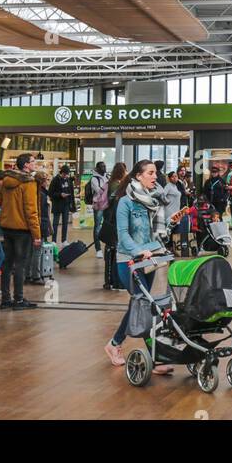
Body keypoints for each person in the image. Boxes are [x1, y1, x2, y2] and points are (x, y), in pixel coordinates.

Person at [103, 160, 174, 374]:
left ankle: (119, 346)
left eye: (155, 173)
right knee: (143, 305)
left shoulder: (153, 200)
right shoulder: (125, 202)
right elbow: (123, 235)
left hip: (151, 258)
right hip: (129, 261)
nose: (155, 177)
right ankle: (149, 356)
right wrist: (138, 251)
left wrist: (171, 224)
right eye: (151, 173)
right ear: (138, 176)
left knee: (144, 305)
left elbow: (155, 232)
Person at [0, 153, 42, 310]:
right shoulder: (28, 183)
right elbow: (31, 210)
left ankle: (5, 299)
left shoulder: (6, 181)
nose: (35, 164)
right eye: (33, 162)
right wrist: (37, 235)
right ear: (26, 165)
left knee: (7, 263)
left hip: (7, 227)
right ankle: (19, 299)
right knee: (20, 265)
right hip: (22, 229)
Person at [100, 162, 129, 290]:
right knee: (115, 250)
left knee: (111, 250)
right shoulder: (116, 186)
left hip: (109, 219)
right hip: (114, 221)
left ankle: (109, 281)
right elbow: (117, 203)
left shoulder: (111, 183)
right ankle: (115, 281)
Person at [48, 165, 75, 243]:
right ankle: (53, 241)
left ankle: (64, 240)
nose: (66, 176)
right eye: (65, 174)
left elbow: (71, 192)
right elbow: (50, 193)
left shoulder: (69, 180)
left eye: (67, 174)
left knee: (65, 223)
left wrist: (72, 205)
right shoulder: (55, 180)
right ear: (62, 173)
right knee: (55, 224)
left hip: (66, 205)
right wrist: (60, 194)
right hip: (57, 204)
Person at [88, 161, 110, 257]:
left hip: (108, 205)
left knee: (107, 225)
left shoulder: (107, 177)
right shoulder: (94, 178)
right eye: (101, 166)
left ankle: (108, 246)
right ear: (97, 168)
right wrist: (108, 189)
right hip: (99, 205)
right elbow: (99, 191)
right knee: (97, 226)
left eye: (104, 166)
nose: (104, 168)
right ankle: (98, 249)